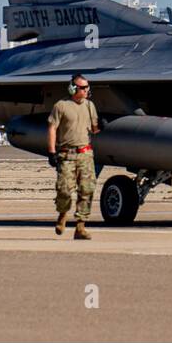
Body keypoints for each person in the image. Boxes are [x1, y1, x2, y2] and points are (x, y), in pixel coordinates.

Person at [47, 74, 100, 240]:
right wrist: (51, 152)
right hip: (66, 154)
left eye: (87, 87)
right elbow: (52, 128)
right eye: (82, 87)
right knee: (64, 190)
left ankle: (80, 226)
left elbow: (94, 129)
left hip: (85, 154)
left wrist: (101, 127)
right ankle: (62, 215)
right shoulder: (61, 106)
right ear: (73, 88)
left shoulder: (90, 106)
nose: (86, 90)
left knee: (87, 190)